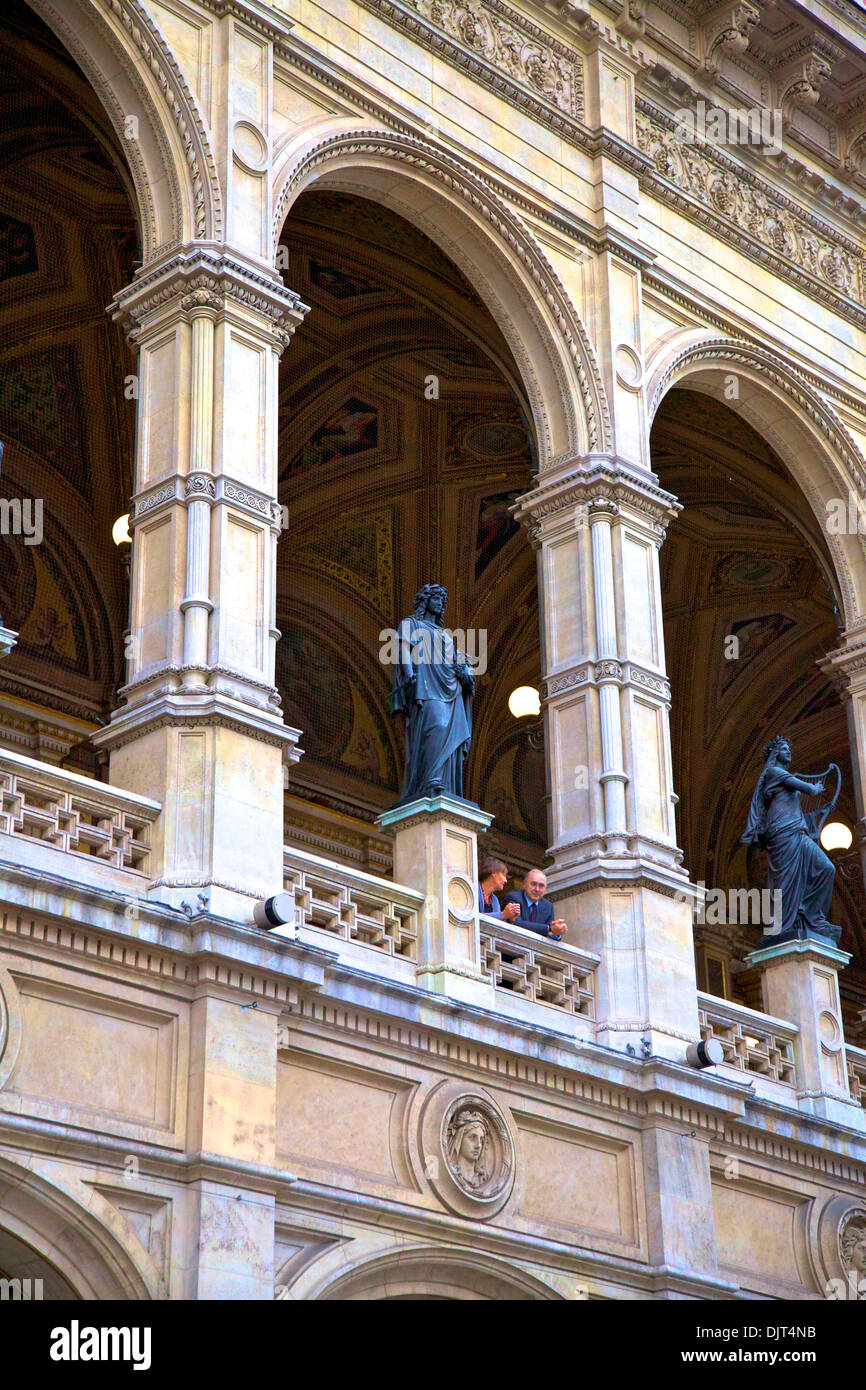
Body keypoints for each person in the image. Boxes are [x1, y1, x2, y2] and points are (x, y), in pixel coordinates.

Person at [742, 734, 841, 946]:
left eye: (789, 749)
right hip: (782, 836)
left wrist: (818, 814)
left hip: (797, 832)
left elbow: (791, 812)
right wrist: (816, 789)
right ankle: (785, 926)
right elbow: (809, 790)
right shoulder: (774, 772)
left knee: (827, 869)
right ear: (776, 753)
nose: (789, 752)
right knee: (785, 883)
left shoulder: (782, 777)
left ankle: (813, 918)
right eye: (785, 749)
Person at [502, 869, 568, 940]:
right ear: (524, 885)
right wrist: (549, 929)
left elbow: (550, 934)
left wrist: (558, 932)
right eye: (533, 884)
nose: (537, 889)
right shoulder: (513, 898)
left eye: (541, 886)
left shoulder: (548, 907)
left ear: (545, 889)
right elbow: (517, 924)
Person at [477, 856, 520, 921]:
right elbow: (472, 917)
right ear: (494, 873)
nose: (506, 880)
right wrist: (503, 915)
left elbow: (496, 924)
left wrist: (510, 918)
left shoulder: (494, 899)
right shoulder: (473, 890)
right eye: (504, 875)